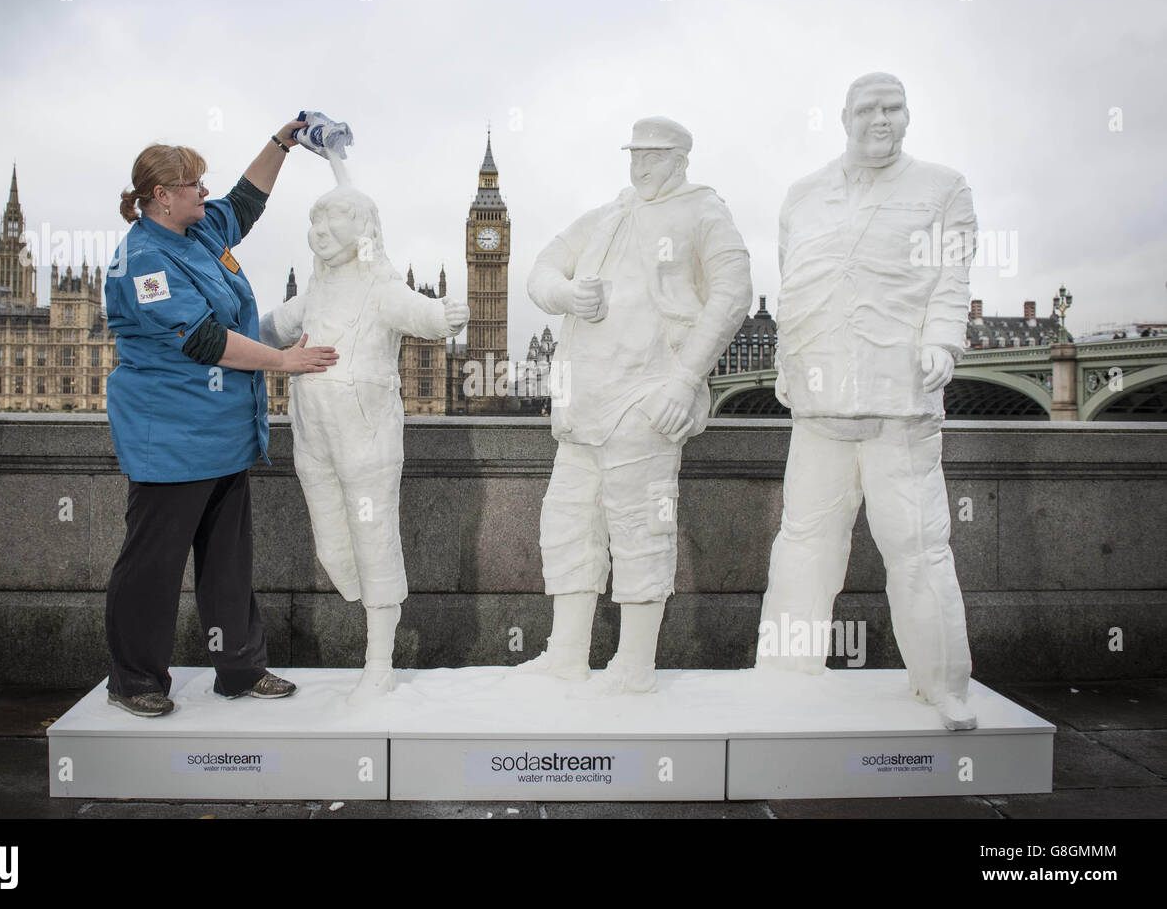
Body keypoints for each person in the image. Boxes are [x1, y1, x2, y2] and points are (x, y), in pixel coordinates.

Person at [756, 73, 979, 729]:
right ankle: (786, 674)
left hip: (898, 400)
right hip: (820, 403)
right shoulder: (802, 197)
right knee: (803, 541)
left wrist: (943, 340)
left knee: (918, 546)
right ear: (843, 116)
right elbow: (791, 287)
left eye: (894, 107)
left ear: (908, 114)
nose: (882, 119)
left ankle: (942, 684)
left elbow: (952, 279)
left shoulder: (942, 188)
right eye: (869, 108)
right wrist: (786, 363)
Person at [103, 121, 338, 717]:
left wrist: (283, 141)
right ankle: (134, 680)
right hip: (172, 437)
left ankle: (238, 670)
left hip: (225, 436)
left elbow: (245, 201)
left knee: (228, 565)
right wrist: (284, 360)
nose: (203, 193)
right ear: (162, 194)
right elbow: (204, 341)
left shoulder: (199, 230)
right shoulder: (144, 262)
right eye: (193, 185)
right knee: (153, 567)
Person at [519, 117, 753, 694]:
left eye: (654, 157)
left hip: (645, 401)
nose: (641, 167)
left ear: (681, 160)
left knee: (641, 528)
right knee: (568, 526)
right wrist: (566, 293)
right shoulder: (606, 215)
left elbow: (733, 293)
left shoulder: (703, 212)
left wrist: (683, 380)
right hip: (583, 407)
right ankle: (566, 654)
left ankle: (634, 665)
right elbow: (540, 271)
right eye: (635, 156)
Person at [260, 186, 469, 705]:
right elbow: (267, 327)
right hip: (312, 439)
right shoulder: (314, 293)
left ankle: (379, 661)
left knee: (374, 543)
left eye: (332, 224)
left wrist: (445, 315)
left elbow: (420, 315)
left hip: (367, 438)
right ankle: (373, 608)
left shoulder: (381, 286)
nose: (319, 234)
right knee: (334, 549)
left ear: (363, 233)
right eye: (316, 224)